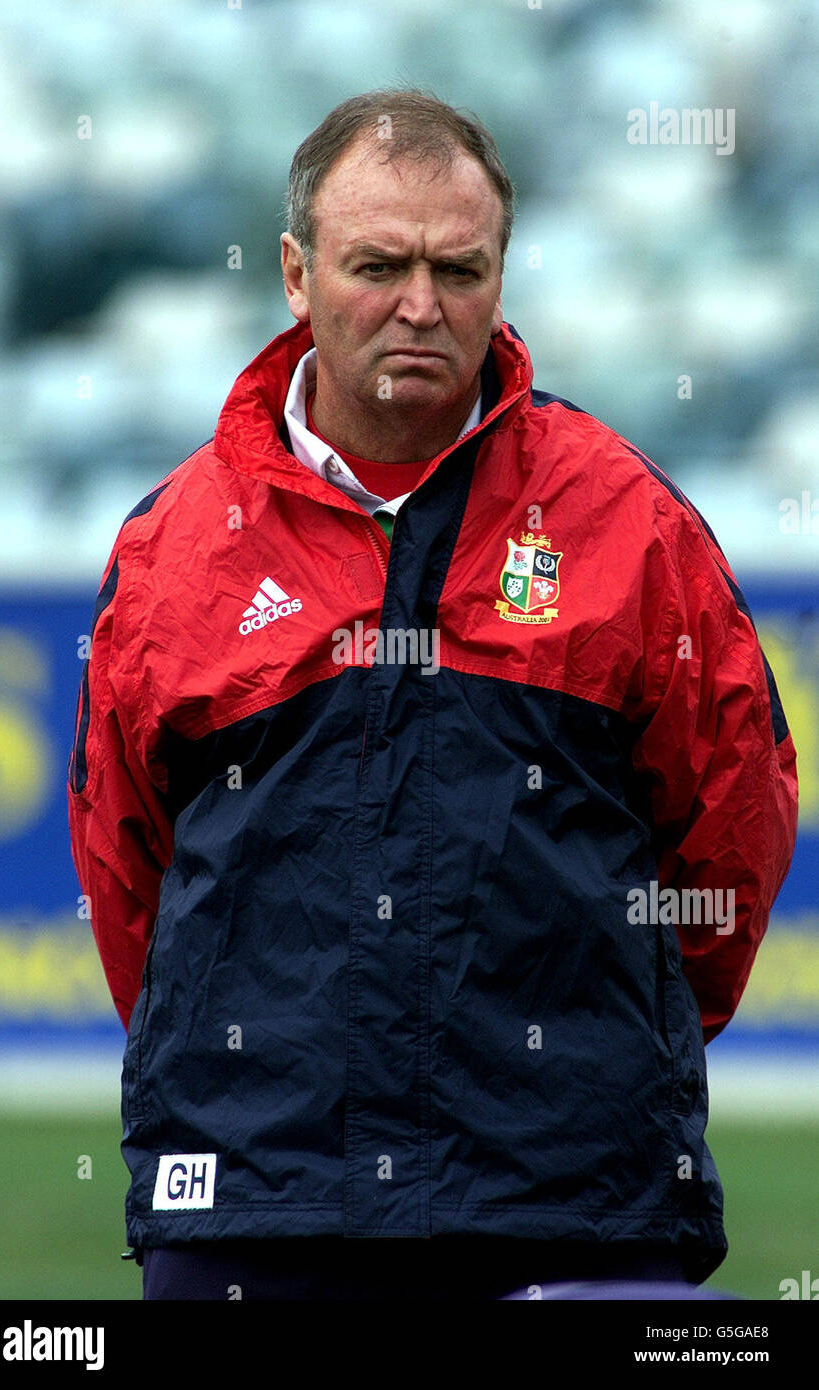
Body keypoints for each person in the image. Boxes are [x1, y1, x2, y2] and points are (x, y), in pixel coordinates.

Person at [67, 88, 798, 1302]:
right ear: (295, 274)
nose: (419, 305)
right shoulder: (174, 550)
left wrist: (597, 1051)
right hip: (254, 1201)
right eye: (378, 265)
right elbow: (130, 882)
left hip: (574, 1196)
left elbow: (729, 834)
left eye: (458, 268)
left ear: (501, 273)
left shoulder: (628, 524)